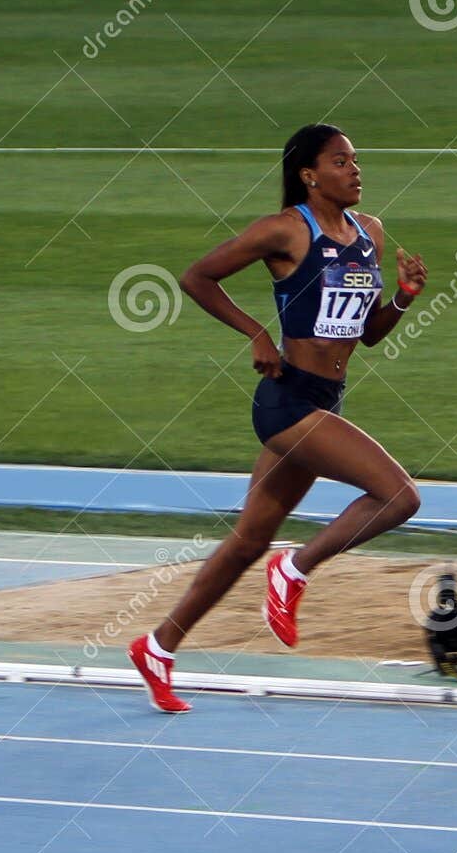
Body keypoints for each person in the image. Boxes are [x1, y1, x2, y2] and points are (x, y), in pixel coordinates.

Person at [127, 123, 427, 713]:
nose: (355, 170)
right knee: (399, 497)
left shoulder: (370, 233)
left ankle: (158, 647)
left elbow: (364, 337)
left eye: (357, 160)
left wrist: (403, 298)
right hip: (288, 403)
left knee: (246, 542)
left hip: (326, 400)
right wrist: (256, 332)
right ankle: (295, 569)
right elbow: (197, 276)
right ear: (309, 175)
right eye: (341, 162)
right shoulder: (285, 230)